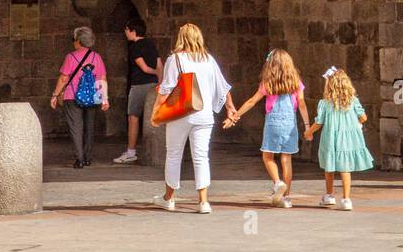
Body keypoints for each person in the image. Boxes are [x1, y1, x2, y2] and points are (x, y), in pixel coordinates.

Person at [151, 23, 236, 214]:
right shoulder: (208, 59)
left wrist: (156, 112)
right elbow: (223, 85)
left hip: (181, 114)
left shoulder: (176, 59)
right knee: (201, 157)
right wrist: (230, 108)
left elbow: (166, 88)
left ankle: (169, 198)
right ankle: (203, 201)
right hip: (204, 115)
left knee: (173, 154)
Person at [223, 48, 309, 207]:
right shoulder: (296, 83)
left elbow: (251, 102)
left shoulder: (268, 83)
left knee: (268, 156)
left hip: (273, 123)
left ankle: (277, 183)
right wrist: (307, 125)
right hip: (290, 123)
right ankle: (287, 198)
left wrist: (234, 117)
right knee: (286, 159)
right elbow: (302, 104)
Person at [303, 66, 374, 210]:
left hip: (330, 138)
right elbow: (363, 117)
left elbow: (319, 122)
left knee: (329, 166)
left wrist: (308, 132)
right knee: (345, 168)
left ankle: (329, 196)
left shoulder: (325, 103)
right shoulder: (353, 101)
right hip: (348, 139)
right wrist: (354, 124)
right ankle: (346, 199)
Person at [50, 27, 109, 169]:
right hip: (93, 96)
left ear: (78, 41)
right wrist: (105, 99)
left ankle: (79, 159)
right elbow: (102, 78)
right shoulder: (97, 57)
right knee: (89, 127)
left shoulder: (71, 57)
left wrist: (55, 95)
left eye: (74, 39)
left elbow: (64, 78)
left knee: (76, 127)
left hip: (72, 96)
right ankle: (87, 157)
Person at [113, 18, 163, 165]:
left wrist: (153, 72)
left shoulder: (134, 47)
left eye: (127, 30)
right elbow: (160, 64)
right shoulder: (151, 45)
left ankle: (131, 151)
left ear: (133, 31)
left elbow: (144, 68)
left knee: (133, 117)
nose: (126, 33)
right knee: (152, 117)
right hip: (153, 84)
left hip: (139, 85)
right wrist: (159, 80)